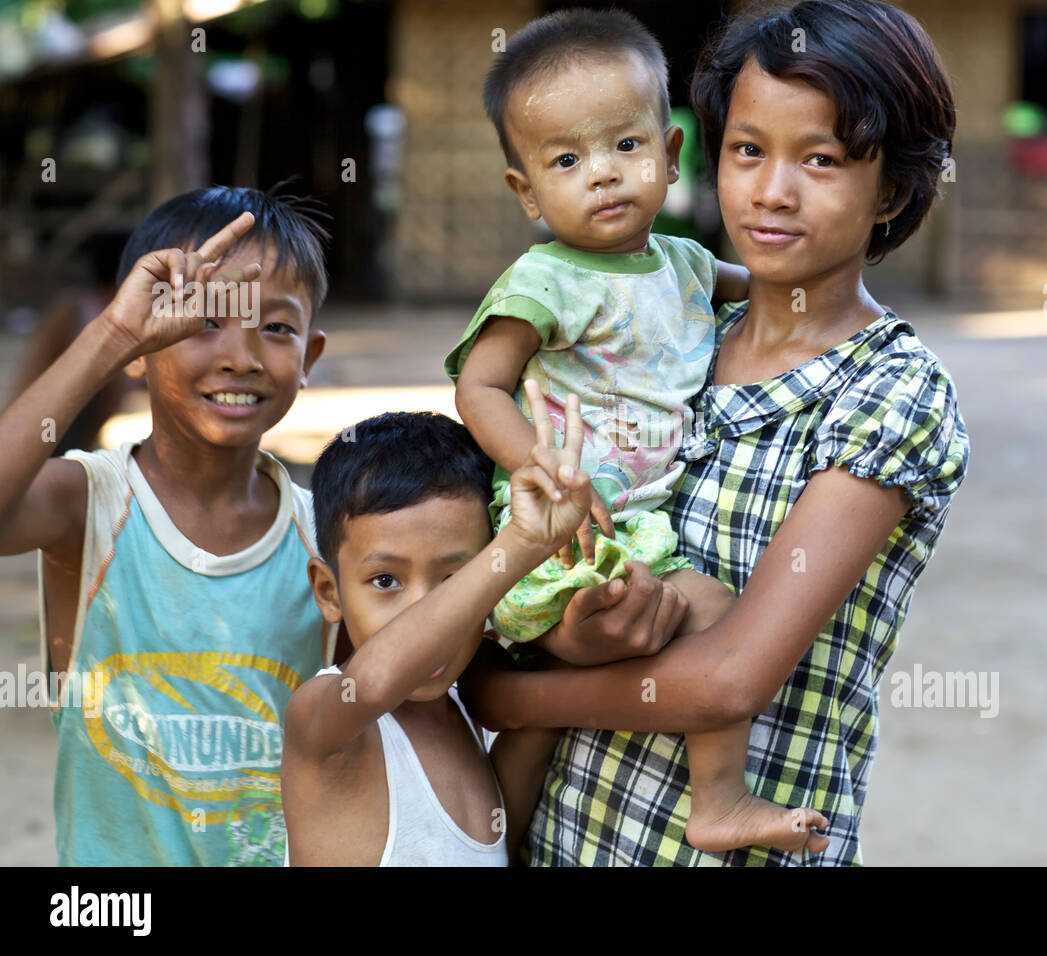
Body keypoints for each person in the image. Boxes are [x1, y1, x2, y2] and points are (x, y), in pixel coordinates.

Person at [459, 0, 971, 866]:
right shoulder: (677, 335)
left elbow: (732, 675)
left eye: (823, 159)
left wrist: (508, 699)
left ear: (890, 188)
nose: (772, 190)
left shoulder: (892, 394)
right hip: (564, 834)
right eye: (749, 150)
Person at [446, 7, 830, 853]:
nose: (604, 176)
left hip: (637, 527)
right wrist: (533, 464)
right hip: (558, 526)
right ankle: (507, 845)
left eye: (626, 147)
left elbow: (770, 287)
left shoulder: (690, 264)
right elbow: (480, 384)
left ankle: (702, 802)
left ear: (671, 152)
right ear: (526, 191)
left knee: (570, 695)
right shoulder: (544, 279)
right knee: (676, 623)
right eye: (567, 160)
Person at [0, 185, 335, 865]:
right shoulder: (88, 504)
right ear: (140, 344)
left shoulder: (324, 537)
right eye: (204, 321)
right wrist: (112, 334)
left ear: (310, 356)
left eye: (276, 328)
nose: (241, 355)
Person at [281, 397, 593, 865]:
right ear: (329, 592)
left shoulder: (474, 721)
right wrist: (523, 542)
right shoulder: (323, 718)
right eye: (385, 581)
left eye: (454, 581)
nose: (424, 612)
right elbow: (376, 681)